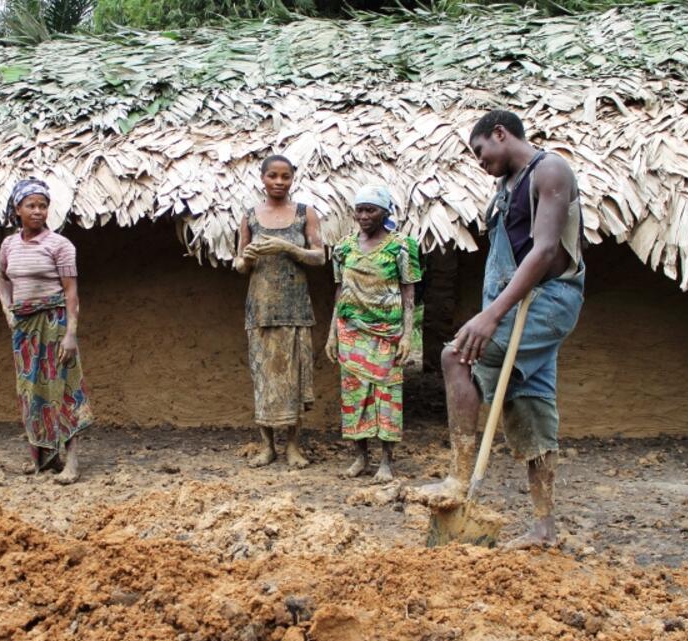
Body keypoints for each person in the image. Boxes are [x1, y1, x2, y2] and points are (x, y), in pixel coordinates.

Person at [419, 109, 586, 550]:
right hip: (521, 304)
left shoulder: (549, 169)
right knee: (532, 405)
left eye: (480, 150)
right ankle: (544, 529)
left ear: (499, 133)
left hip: (546, 301)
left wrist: (492, 315)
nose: (479, 160)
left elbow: (546, 248)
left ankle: (458, 477)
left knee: (455, 355)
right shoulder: (506, 186)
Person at [0, 178, 92, 484]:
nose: (38, 211)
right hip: (24, 328)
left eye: (43, 206)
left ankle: (72, 462)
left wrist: (71, 334)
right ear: (18, 209)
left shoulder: (60, 245)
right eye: (31, 205)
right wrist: (7, 311)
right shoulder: (9, 244)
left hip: (54, 324)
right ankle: (44, 458)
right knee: (31, 391)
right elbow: (2, 279)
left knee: (63, 389)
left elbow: (71, 292)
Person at [233, 155, 325, 468]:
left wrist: (287, 247)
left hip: (295, 310)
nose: (279, 182)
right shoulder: (250, 216)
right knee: (264, 381)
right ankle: (267, 446)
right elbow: (239, 263)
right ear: (262, 178)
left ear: (292, 180)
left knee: (293, 382)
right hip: (260, 311)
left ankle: (293, 447)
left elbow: (319, 257)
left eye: (285, 177)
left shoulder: (305, 214)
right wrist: (247, 258)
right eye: (273, 176)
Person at [325, 185, 422, 483]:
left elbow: (409, 293)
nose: (364, 216)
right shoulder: (343, 248)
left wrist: (407, 335)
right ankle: (360, 457)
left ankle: (386, 461)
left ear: (385, 212)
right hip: (352, 333)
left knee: (387, 397)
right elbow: (340, 292)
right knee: (355, 397)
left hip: (387, 334)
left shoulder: (402, 246)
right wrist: (332, 334)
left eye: (371, 210)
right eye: (360, 210)